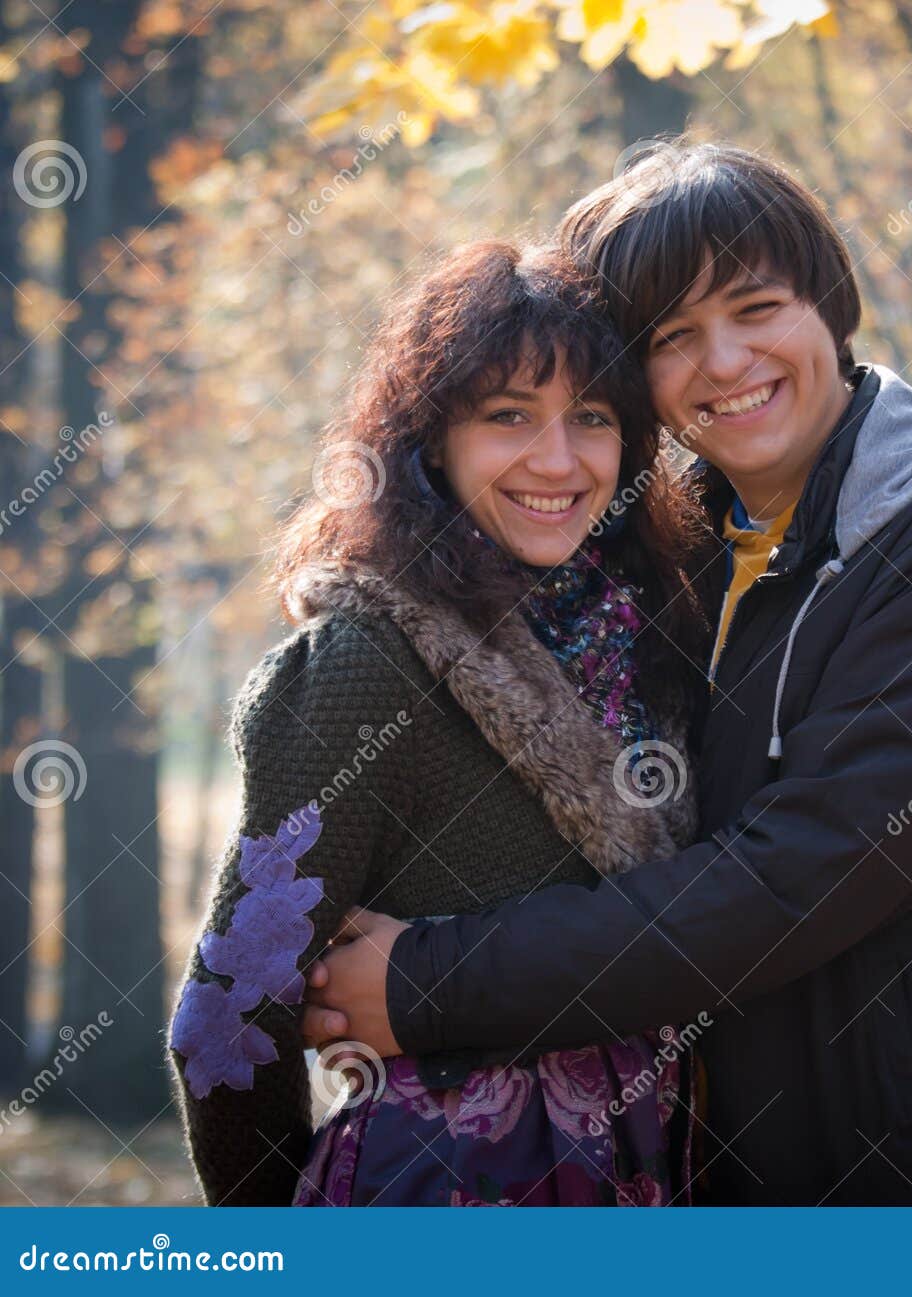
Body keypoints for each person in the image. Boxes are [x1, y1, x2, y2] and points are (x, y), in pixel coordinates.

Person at [304, 142, 912, 1205]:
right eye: (671, 337)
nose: (725, 362)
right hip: (731, 1177)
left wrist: (428, 985)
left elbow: (798, 874)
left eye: (755, 307)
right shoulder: (679, 550)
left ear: (829, 304)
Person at [166, 241, 708, 1206]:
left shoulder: (667, 640)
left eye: (590, 417)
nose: (557, 459)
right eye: (509, 417)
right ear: (429, 443)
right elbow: (225, 1021)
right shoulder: (365, 669)